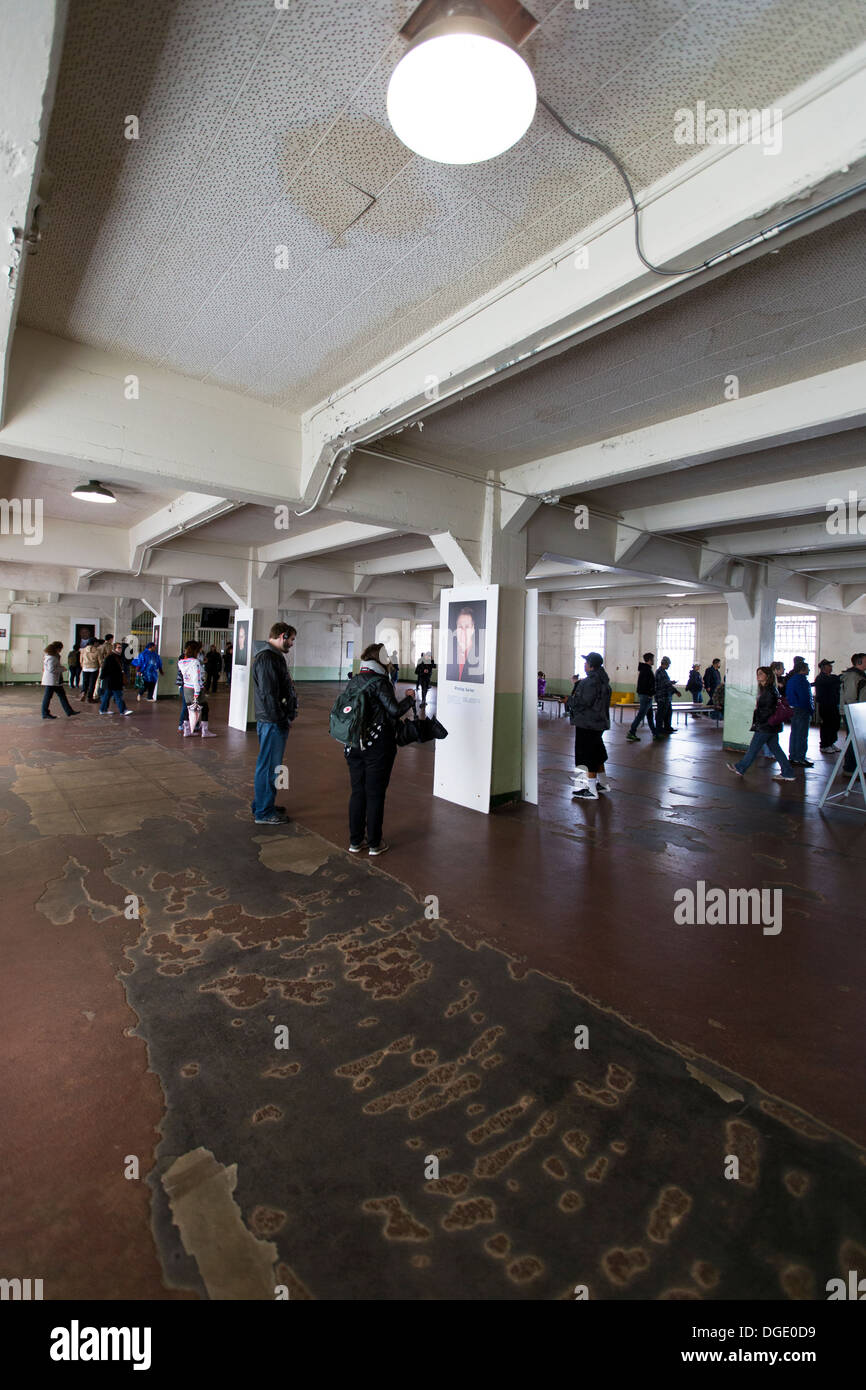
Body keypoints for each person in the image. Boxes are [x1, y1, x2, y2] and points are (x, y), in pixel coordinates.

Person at [344, 642, 414, 853]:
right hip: (377, 746)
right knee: (374, 794)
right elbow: (393, 711)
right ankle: (374, 843)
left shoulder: (355, 680)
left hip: (353, 744)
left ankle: (355, 841)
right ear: (382, 660)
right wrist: (409, 699)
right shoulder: (380, 682)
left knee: (357, 793)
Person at [251, 623, 298, 823]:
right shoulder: (267, 658)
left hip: (273, 720)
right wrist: (281, 718)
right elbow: (269, 694)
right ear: (282, 635)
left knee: (273, 766)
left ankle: (264, 804)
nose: (292, 643)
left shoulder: (272, 656)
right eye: (291, 639)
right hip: (272, 721)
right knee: (270, 767)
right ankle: (263, 812)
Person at [727, 667, 794, 781]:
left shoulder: (769, 691)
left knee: (753, 748)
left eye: (761, 674)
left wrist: (760, 720)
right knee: (776, 749)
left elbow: (767, 711)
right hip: (771, 726)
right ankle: (788, 773)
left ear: (767, 676)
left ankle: (740, 768)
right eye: (757, 673)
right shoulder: (769, 689)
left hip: (765, 726)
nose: (758, 676)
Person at [568, 652, 611, 799]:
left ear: (591, 666)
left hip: (588, 723)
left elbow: (583, 702)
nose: (584, 665)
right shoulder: (603, 680)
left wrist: (569, 701)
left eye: (586, 663)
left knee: (588, 755)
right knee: (597, 753)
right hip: (598, 723)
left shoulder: (591, 682)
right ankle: (603, 784)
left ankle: (591, 789)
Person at [178, 640, 215, 737]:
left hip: (186, 687)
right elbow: (196, 679)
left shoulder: (181, 662)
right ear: (195, 651)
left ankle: (187, 730)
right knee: (205, 708)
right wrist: (197, 692)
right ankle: (205, 731)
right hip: (195, 688)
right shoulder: (195, 662)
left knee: (188, 708)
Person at [840, 652, 866, 775]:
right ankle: (850, 768)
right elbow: (850, 697)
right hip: (853, 712)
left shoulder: (860, 676)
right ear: (859, 662)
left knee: (858, 739)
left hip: (858, 712)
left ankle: (857, 767)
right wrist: (855, 713)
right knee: (853, 739)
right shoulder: (853, 676)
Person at [785, 657, 814, 767]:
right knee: (802, 735)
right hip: (802, 710)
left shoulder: (792, 679)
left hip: (794, 709)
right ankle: (800, 758)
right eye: (808, 668)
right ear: (802, 669)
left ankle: (793, 756)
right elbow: (805, 698)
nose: (809, 670)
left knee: (795, 733)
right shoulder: (802, 681)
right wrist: (810, 710)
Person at [41, 642, 80, 720]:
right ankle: (45, 713)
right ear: (57, 648)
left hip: (55, 680)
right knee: (48, 697)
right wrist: (62, 669)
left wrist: (60, 667)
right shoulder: (52, 657)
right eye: (60, 649)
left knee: (62, 695)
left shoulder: (52, 656)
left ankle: (69, 711)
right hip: (51, 681)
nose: (61, 650)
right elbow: (51, 669)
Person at [446, 606, 484, 683]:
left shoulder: (481, 656)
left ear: (473, 629)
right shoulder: (448, 654)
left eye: (467, 627)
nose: (463, 631)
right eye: (460, 627)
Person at [626, 653, 657, 741]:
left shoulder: (645, 669)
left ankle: (654, 733)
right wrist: (651, 693)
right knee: (641, 715)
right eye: (653, 659)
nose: (654, 660)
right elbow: (646, 685)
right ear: (650, 660)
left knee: (650, 715)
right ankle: (632, 732)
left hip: (647, 695)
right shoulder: (646, 670)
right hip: (646, 696)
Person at [814, 659, 841, 753]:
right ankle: (824, 745)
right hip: (825, 705)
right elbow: (833, 681)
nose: (831, 667)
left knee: (835, 723)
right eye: (829, 666)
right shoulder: (821, 678)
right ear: (824, 668)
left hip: (833, 704)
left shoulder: (831, 677)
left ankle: (831, 742)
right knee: (827, 725)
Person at [99, 642, 132, 717]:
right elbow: (105, 668)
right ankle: (123, 710)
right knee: (118, 695)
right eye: (118, 647)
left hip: (112, 680)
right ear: (114, 648)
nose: (120, 649)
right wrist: (102, 677)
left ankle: (103, 710)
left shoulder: (117, 656)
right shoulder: (111, 657)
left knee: (107, 696)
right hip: (113, 680)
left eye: (121, 647)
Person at [654, 656, 680, 736]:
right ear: (665, 664)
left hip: (666, 697)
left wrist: (671, 683)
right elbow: (666, 684)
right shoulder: (660, 672)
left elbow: (666, 683)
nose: (669, 666)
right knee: (661, 713)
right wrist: (676, 691)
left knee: (668, 712)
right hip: (662, 697)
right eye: (668, 664)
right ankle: (659, 728)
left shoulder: (663, 672)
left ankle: (667, 727)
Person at [79, 638, 101, 703]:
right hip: (94, 668)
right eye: (96, 642)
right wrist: (101, 666)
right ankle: (89, 698)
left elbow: (81, 659)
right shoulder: (97, 650)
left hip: (85, 667)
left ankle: (83, 693)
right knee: (92, 683)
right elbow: (100, 660)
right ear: (94, 643)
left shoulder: (83, 650)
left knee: (85, 682)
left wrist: (82, 665)